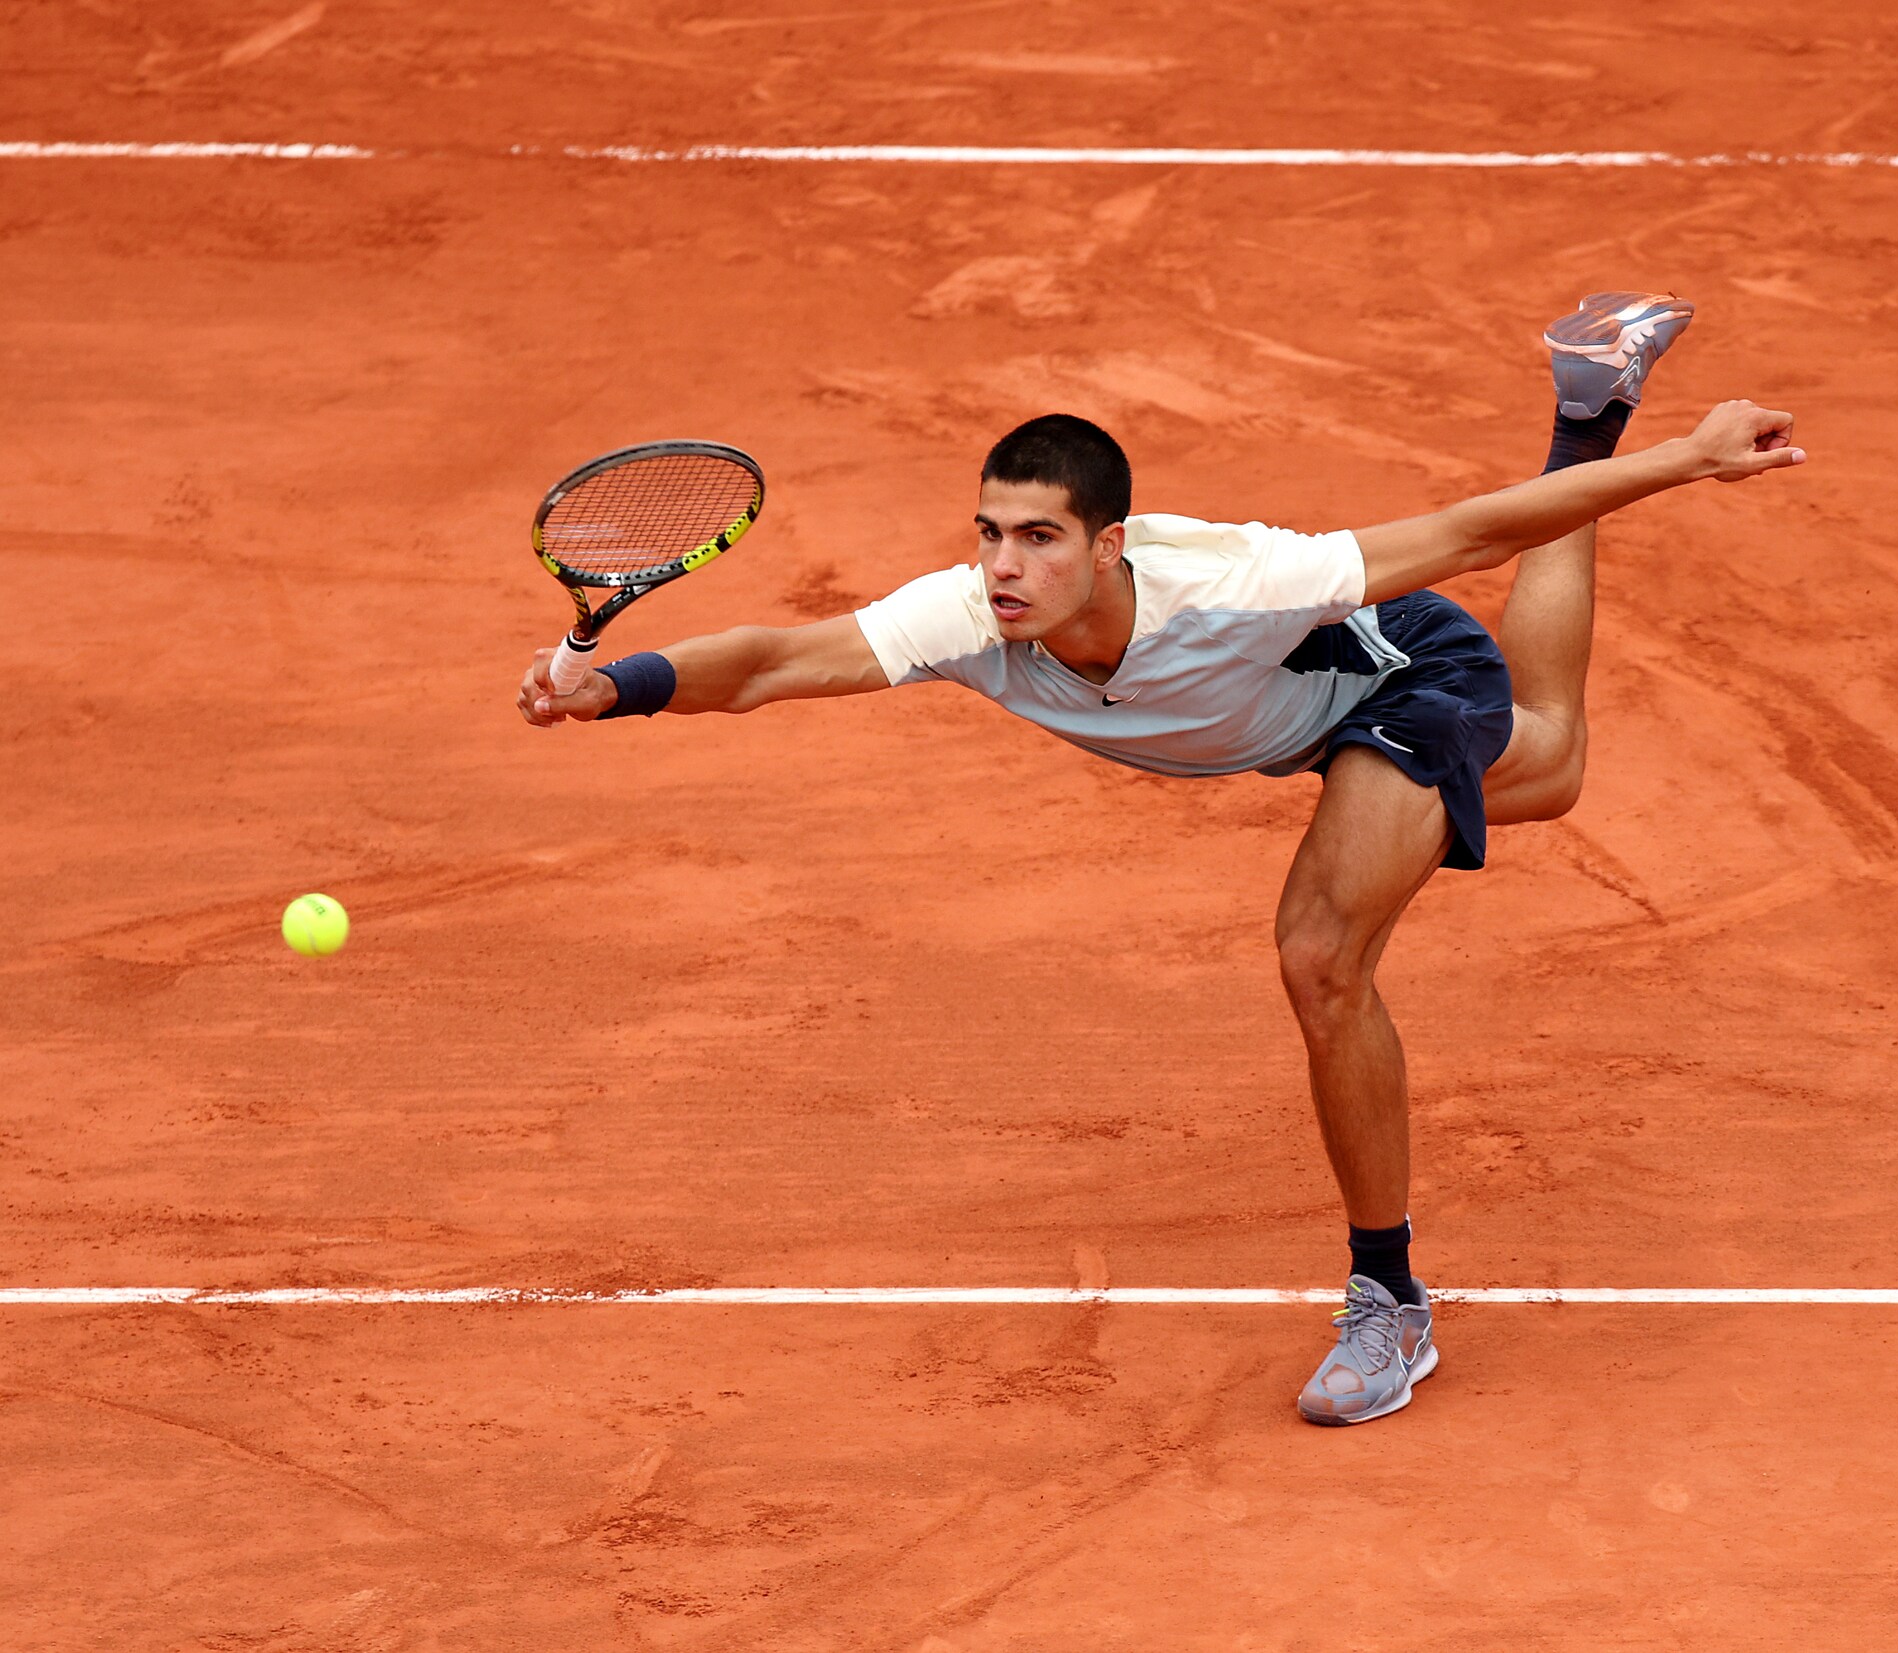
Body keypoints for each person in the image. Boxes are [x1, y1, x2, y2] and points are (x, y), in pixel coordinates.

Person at [517, 293, 1805, 1424]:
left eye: (1040, 538)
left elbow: (1471, 533)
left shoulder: (1243, 582)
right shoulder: (967, 616)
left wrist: (1691, 461)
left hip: (1395, 678)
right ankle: (1587, 414)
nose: (1005, 566)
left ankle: (1389, 1303)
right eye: (991, 532)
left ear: (1109, 545)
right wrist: (612, 687)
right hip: (1291, 728)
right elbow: (772, 662)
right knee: (1554, 768)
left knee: (1322, 956)